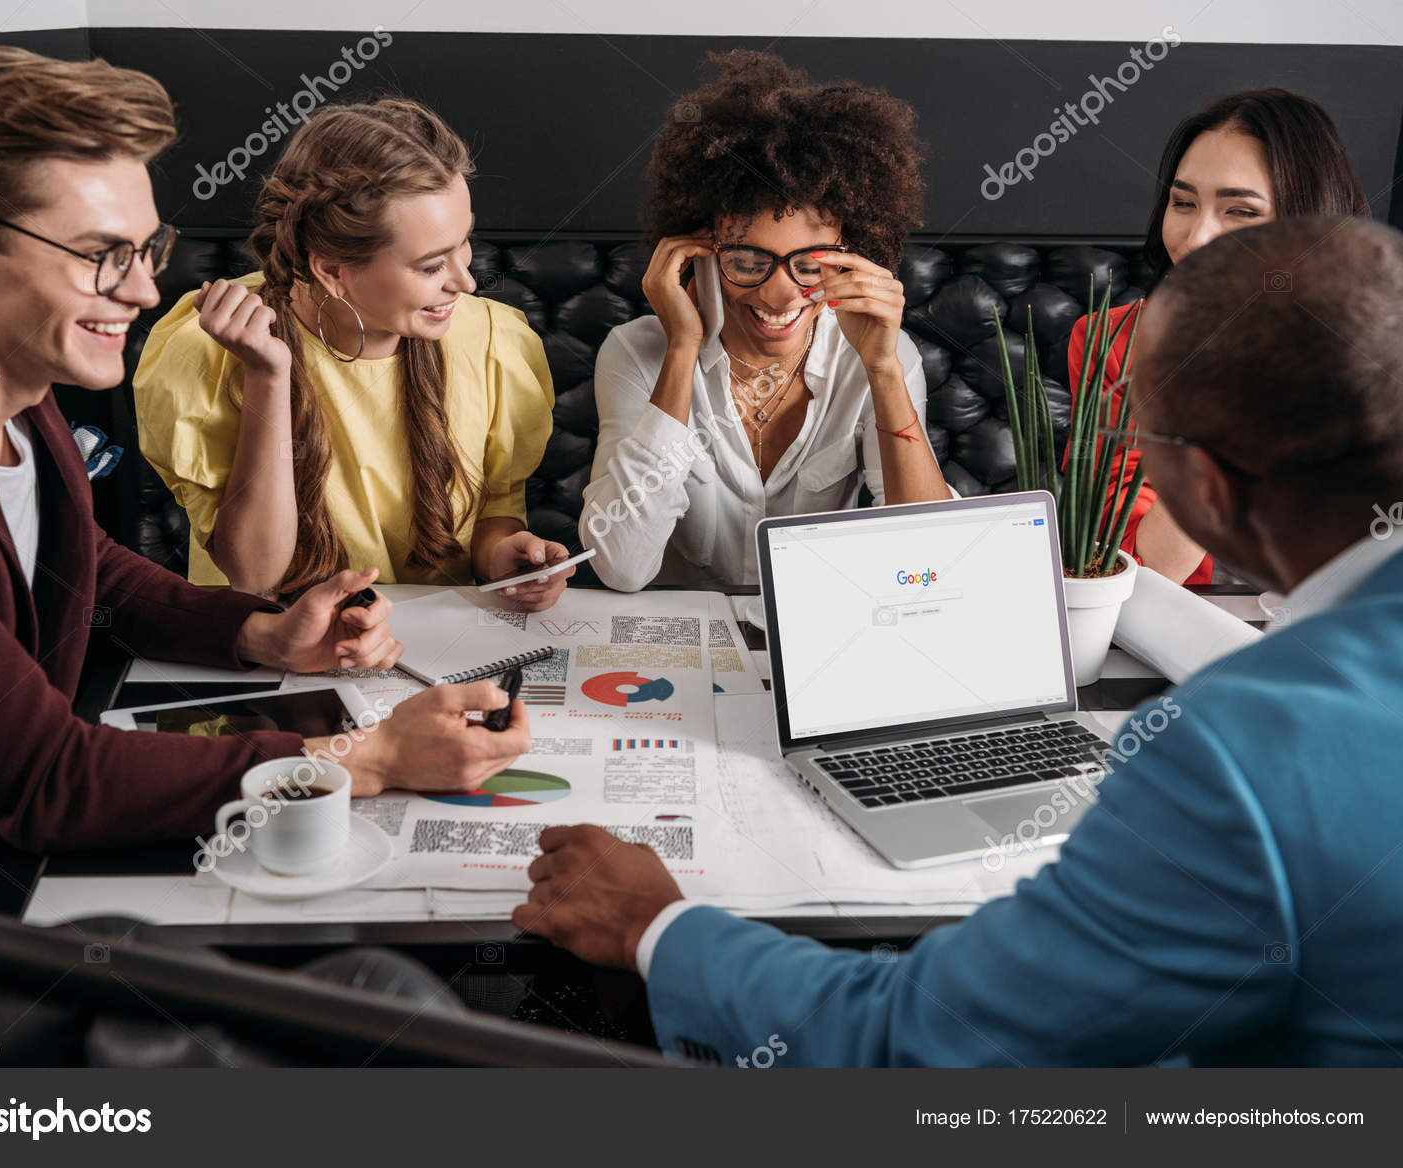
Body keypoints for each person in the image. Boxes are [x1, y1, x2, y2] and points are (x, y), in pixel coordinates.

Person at [518, 216, 1403, 1067]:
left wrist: (657, 928)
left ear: (1201, 486)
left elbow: (919, 1041)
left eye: (1142, 428)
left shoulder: (1240, 755)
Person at [0, 46, 529, 911]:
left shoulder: (9, 379)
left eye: (149, 250)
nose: (145, 291)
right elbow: (43, 779)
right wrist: (367, 759)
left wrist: (261, 634)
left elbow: (90, 571)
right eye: (103, 255)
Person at [134, 101, 573, 610]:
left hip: (428, 649)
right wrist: (268, 376)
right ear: (333, 271)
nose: (466, 281)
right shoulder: (204, 354)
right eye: (432, 265)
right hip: (276, 640)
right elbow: (253, 577)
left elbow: (493, 511)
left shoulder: (494, 341)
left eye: (465, 242)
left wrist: (503, 555)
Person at [580, 51, 951, 592]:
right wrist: (683, 350)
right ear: (701, 252)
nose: (780, 294)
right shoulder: (635, 353)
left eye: (811, 263)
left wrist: (884, 373)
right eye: (748, 261)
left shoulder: (881, 357)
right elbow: (621, 568)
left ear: (852, 255)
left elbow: (931, 558)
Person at [1068, 89, 1368, 584]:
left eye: (1241, 212)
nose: (1196, 238)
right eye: (1183, 203)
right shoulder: (1116, 341)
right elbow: (1143, 570)